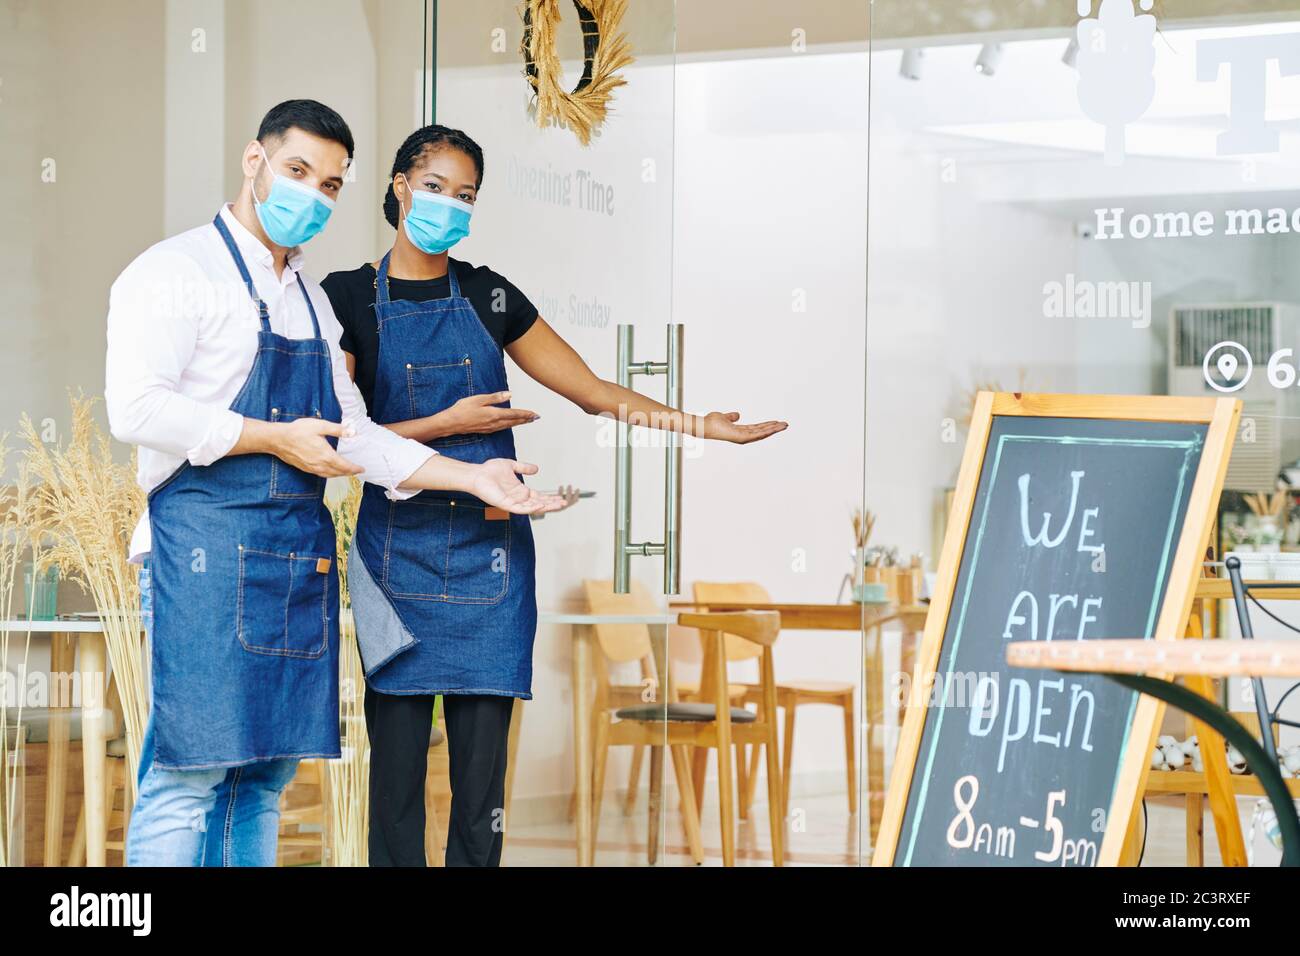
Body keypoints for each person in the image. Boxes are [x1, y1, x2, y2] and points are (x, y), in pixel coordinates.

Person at [105, 101, 564, 868]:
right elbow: (136, 407)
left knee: (260, 783)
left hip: (289, 567)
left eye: (329, 185)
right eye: (296, 172)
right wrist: (271, 436)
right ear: (254, 161)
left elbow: (358, 439)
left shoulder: (312, 303)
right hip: (204, 559)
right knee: (187, 779)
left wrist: (476, 475)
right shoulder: (176, 272)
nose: (311, 196)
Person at [322, 124, 788, 867]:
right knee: (397, 784)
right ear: (401, 186)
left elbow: (595, 393)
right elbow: (340, 440)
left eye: (466, 195)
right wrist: (446, 423)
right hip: (394, 564)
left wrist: (698, 424)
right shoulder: (346, 298)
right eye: (436, 187)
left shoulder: (488, 293)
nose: (450, 205)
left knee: (483, 790)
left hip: (490, 561)